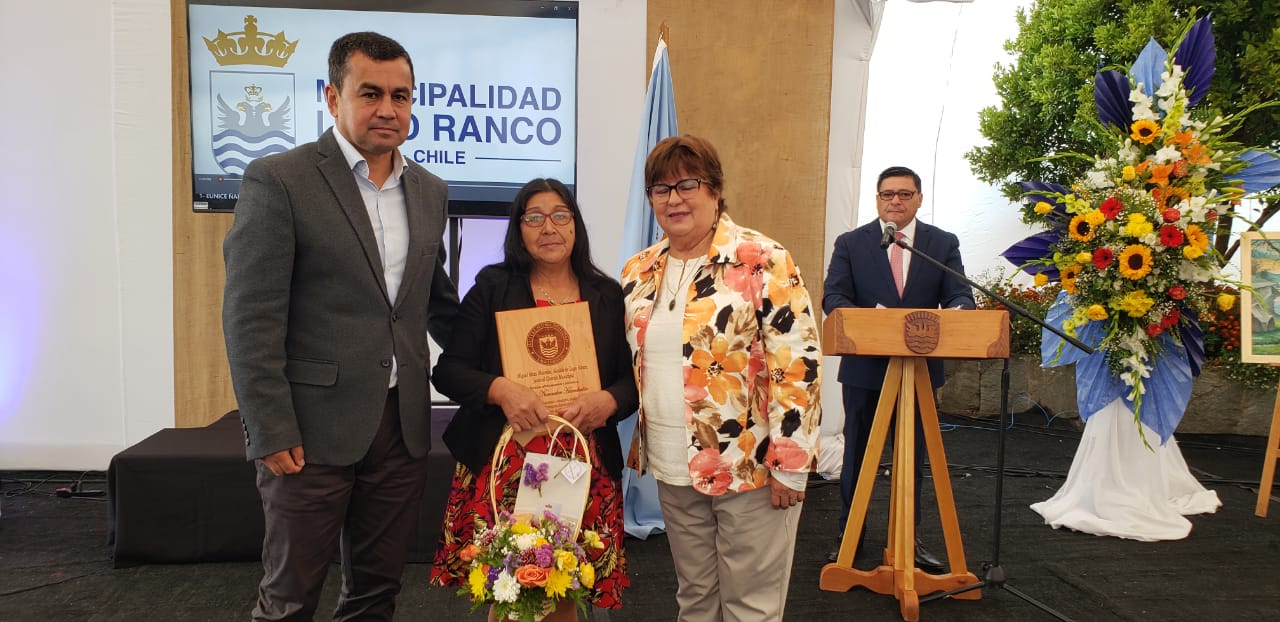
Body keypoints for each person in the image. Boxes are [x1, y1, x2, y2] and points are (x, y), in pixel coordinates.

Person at [222, 32, 459, 621]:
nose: (388, 109)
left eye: (401, 96)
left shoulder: (429, 190)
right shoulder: (279, 180)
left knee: (377, 594)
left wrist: (516, 368)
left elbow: (438, 304)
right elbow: (249, 316)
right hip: (309, 433)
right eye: (370, 93)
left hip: (402, 427)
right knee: (288, 599)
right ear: (332, 97)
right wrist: (268, 427)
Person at [619, 134, 822, 622]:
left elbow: (798, 363)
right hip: (671, 466)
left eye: (688, 183)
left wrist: (791, 464)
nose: (674, 198)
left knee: (750, 608)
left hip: (748, 466)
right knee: (695, 601)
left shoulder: (762, 260)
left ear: (714, 190)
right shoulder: (638, 270)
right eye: (661, 188)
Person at [429, 178, 636, 620]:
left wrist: (609, 401)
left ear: (575, 226)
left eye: (561, 215)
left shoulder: (605, 294)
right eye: (535, 217)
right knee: (509, 588)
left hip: (581, 460)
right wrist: (500, 389)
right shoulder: (493, 286)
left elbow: (630, 382)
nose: (549, 228)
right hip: (505, 460)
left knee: (565, 583)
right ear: (518, 228)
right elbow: (448, 370)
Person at [821, 165, 975, 572]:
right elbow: (833, 298)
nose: (896, 201)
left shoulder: (940, 244)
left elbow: (960, 295)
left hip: (919, 374)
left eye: (905, 194)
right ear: (877, 200)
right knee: (857, 457)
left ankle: (909, 539)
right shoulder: (852, 244)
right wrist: (876, 320)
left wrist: (959, 312)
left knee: (912, 459)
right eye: (888, 194)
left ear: (919, 199)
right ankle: (849, 535)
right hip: (865, 372)